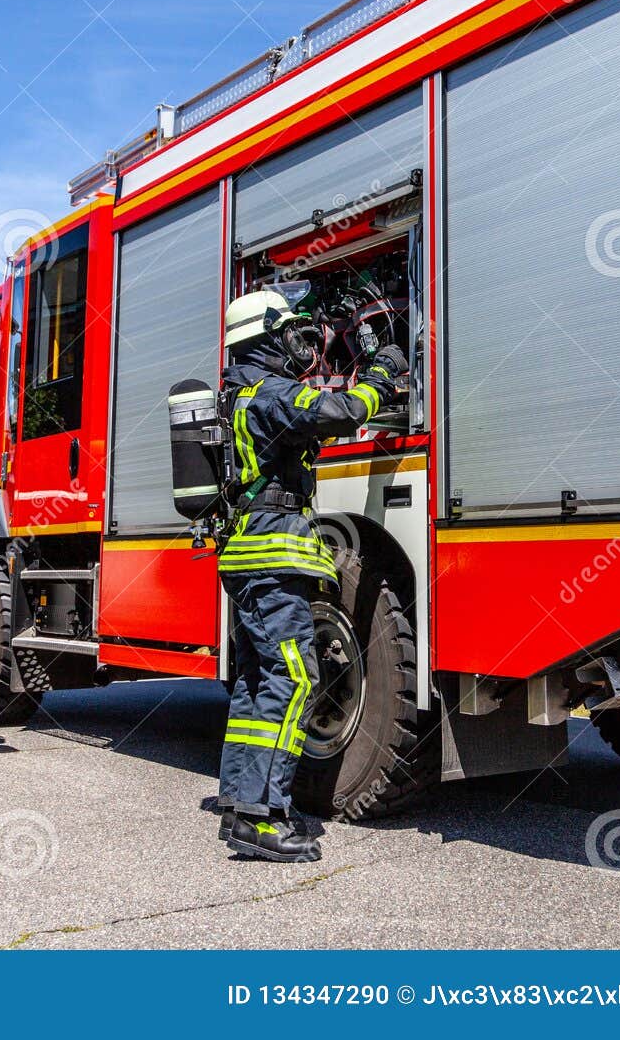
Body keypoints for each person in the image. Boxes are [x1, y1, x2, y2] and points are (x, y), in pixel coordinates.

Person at [215, 286, 408, 862]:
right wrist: (382, 374)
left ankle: (242, 806)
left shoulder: (238, 396)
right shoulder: (269, 393)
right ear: (265, 339)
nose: (297, 345)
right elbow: (340, 413)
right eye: (287, 334)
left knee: (257, 681)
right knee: (295, 677)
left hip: (249, 559)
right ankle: (262, 818)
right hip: (272, 559)